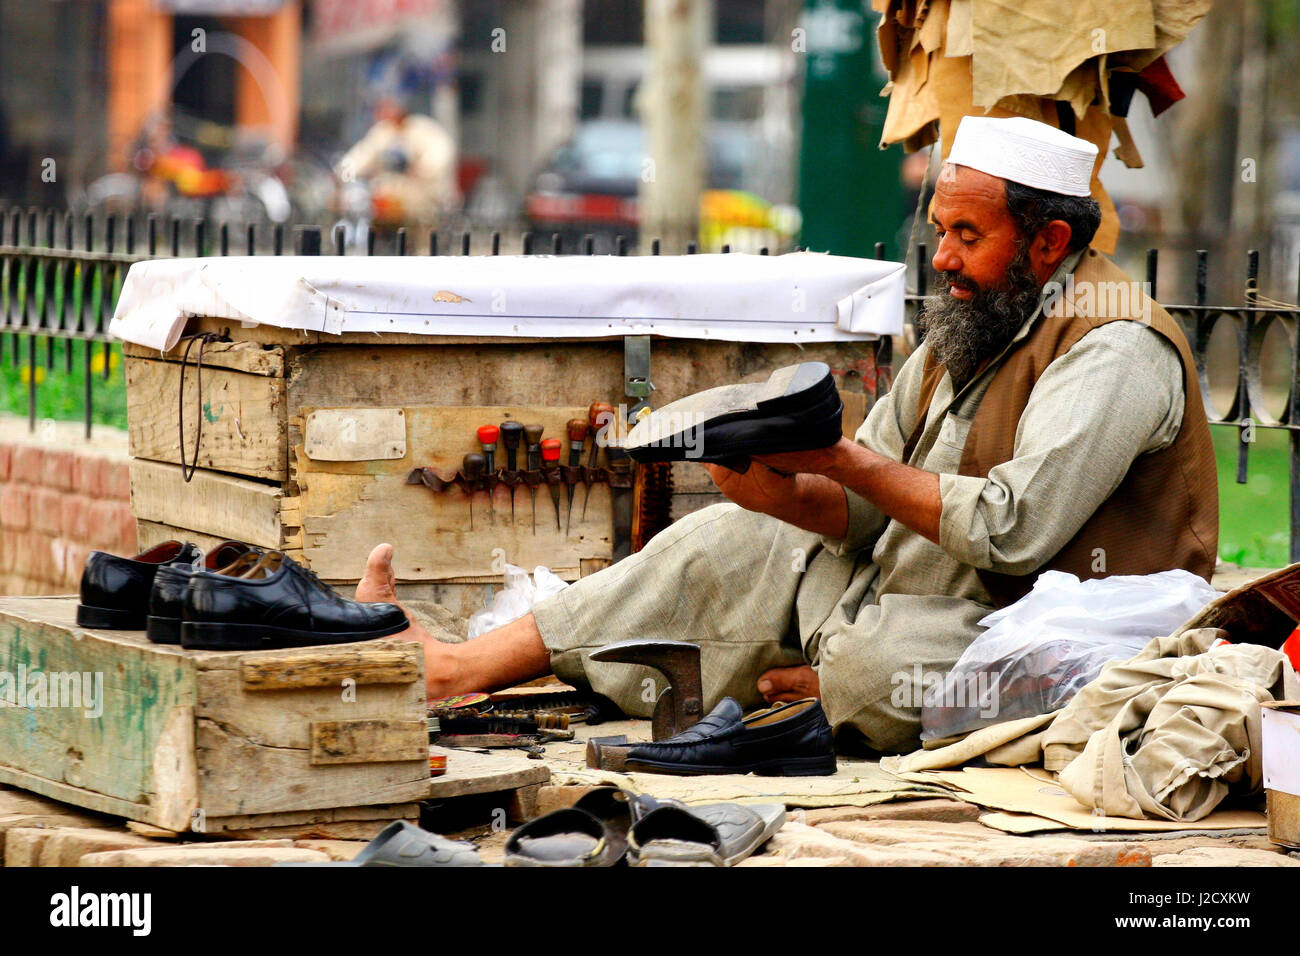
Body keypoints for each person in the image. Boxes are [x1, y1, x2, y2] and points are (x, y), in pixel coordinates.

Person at [356, 115, 1219, 754]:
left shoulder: (1115, 344)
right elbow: (865, 504)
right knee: (724, 539)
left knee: (887, 665)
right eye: (939, 233)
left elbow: (1011, 528)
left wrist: (840, 459)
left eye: (968, 236)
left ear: (1049, 242)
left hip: (1045, 632)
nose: (943, 259)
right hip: (906, 595)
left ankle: (827, 689)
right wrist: (780, 490)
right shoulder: (974, 326)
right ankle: (453, 669)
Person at [336, 94, 459, 228]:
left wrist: (417, 169)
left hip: (425, 197)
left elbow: (439, 156)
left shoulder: (424, 130)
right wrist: (342, 172)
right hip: (388, 198)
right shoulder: (382, 132)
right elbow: (361, 156)